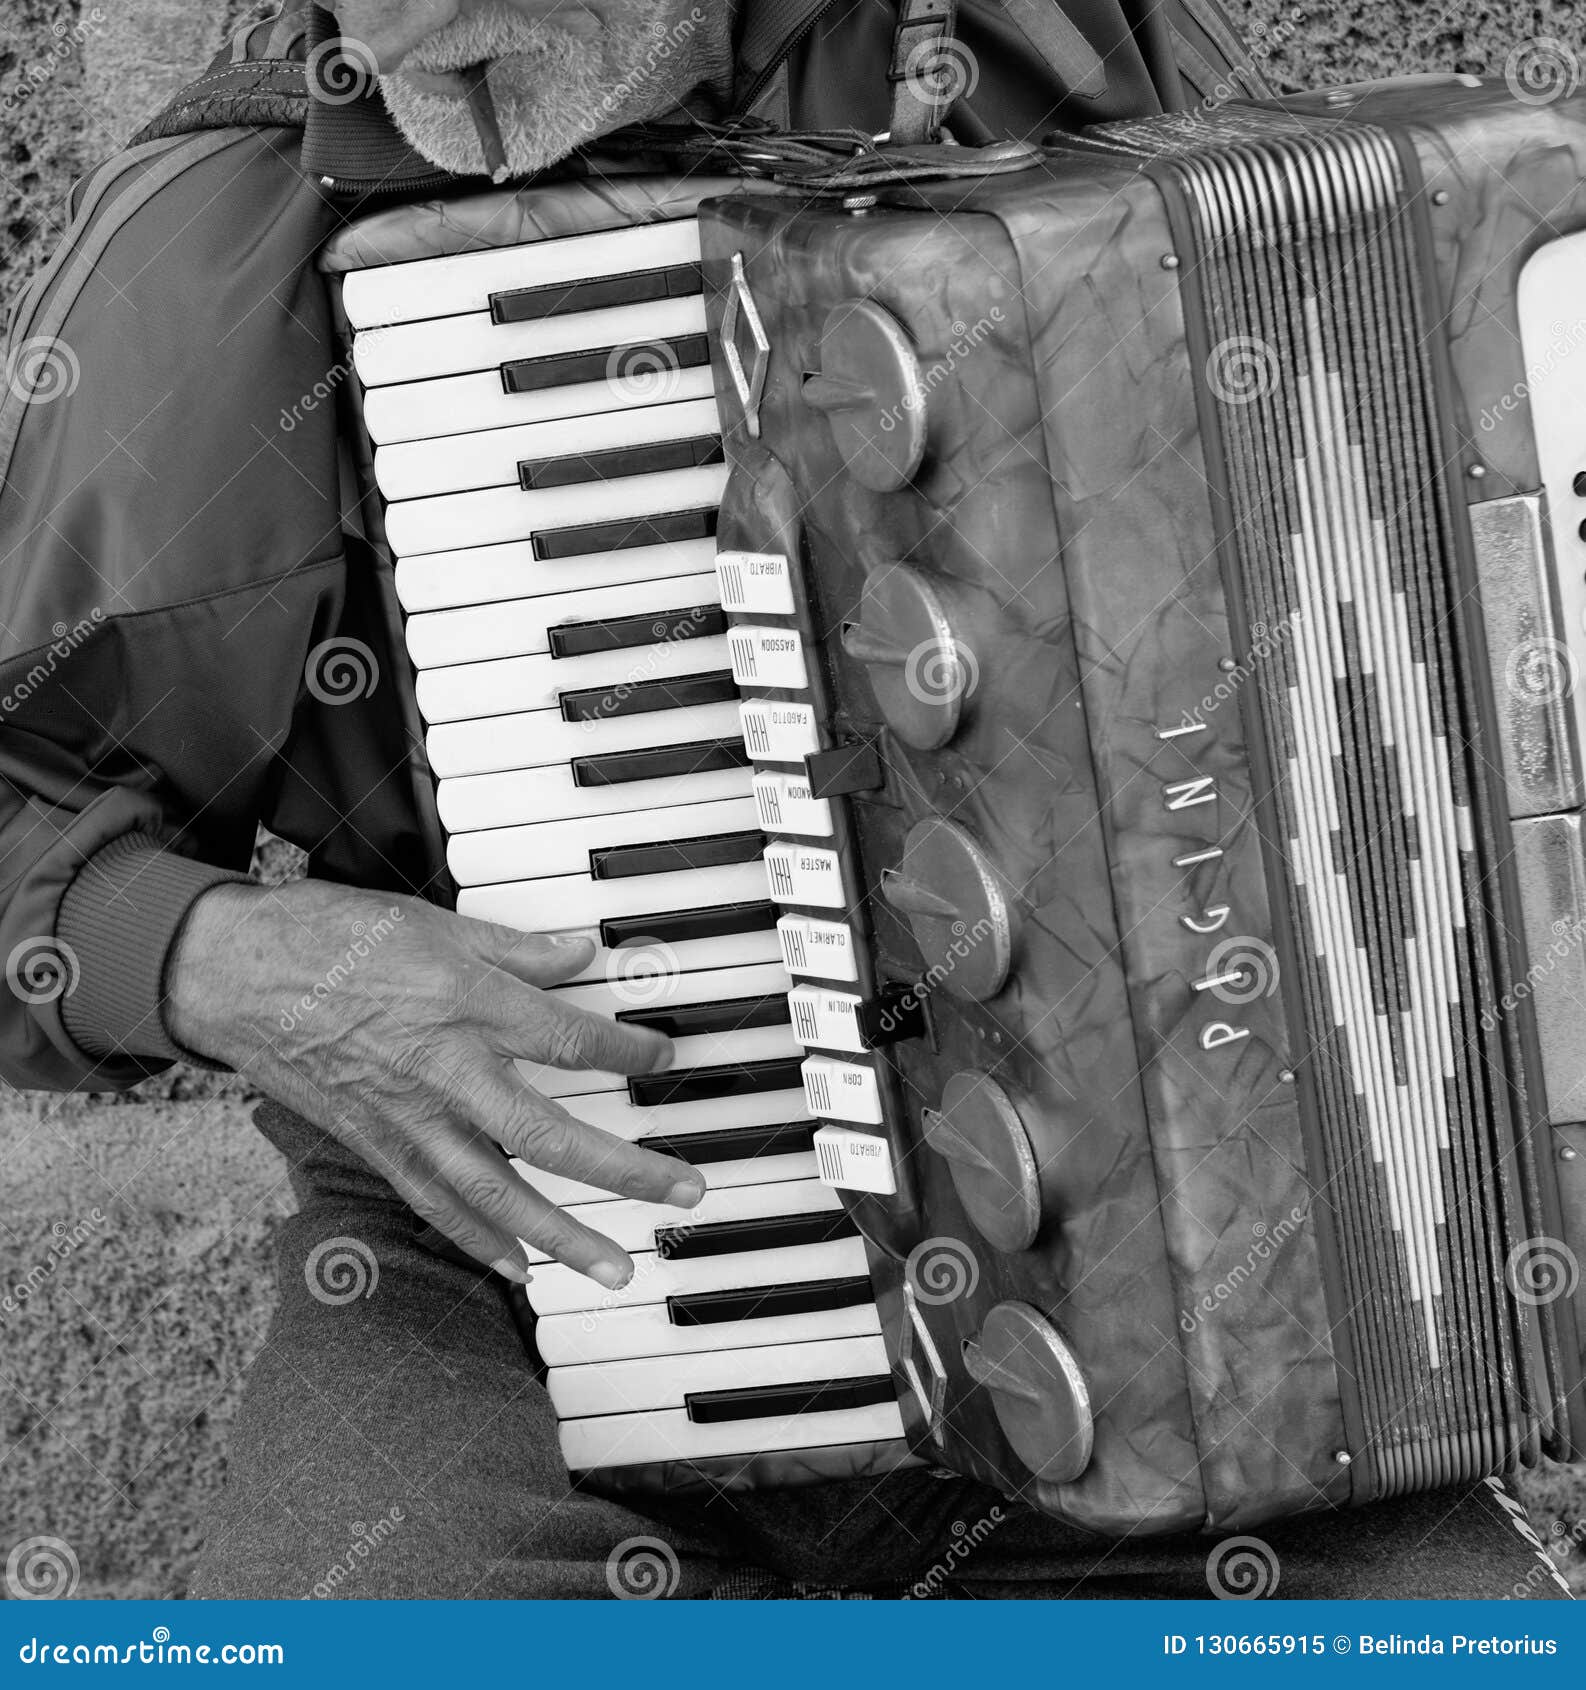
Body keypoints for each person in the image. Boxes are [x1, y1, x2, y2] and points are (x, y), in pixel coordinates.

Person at [0, 0, 1569, 1600]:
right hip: (529, 1265)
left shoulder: (1056, 39)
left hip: (1162, 1277)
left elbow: (1389, 383)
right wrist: (212, 959)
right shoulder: (198, 278)